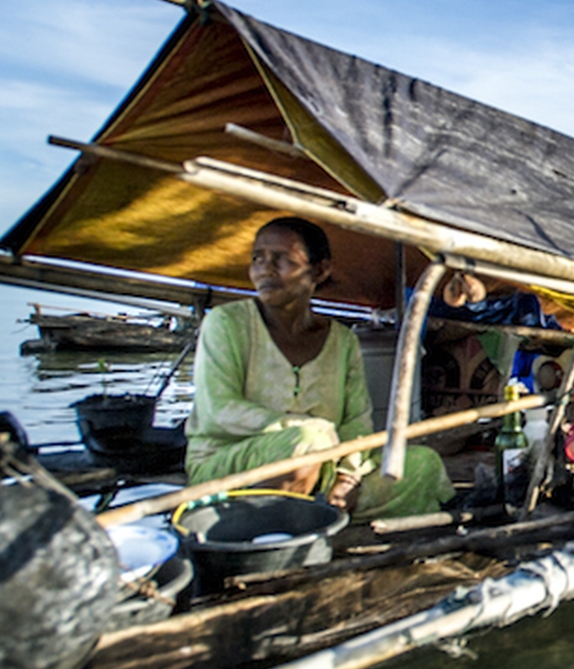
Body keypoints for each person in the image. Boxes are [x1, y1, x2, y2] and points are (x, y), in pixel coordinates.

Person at [184, 216, 452, 519]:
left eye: (282, 259)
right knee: (307, 443)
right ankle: (276, 526)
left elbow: (357, 422)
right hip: (231, 465)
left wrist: (347, 477)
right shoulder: (226, 323)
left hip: (323, 466)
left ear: (319, 270)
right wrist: (309, 431)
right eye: (258, 258)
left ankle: (323, 509)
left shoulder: (342, 340)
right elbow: (218, 410)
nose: (265, 269)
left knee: (422, 463)